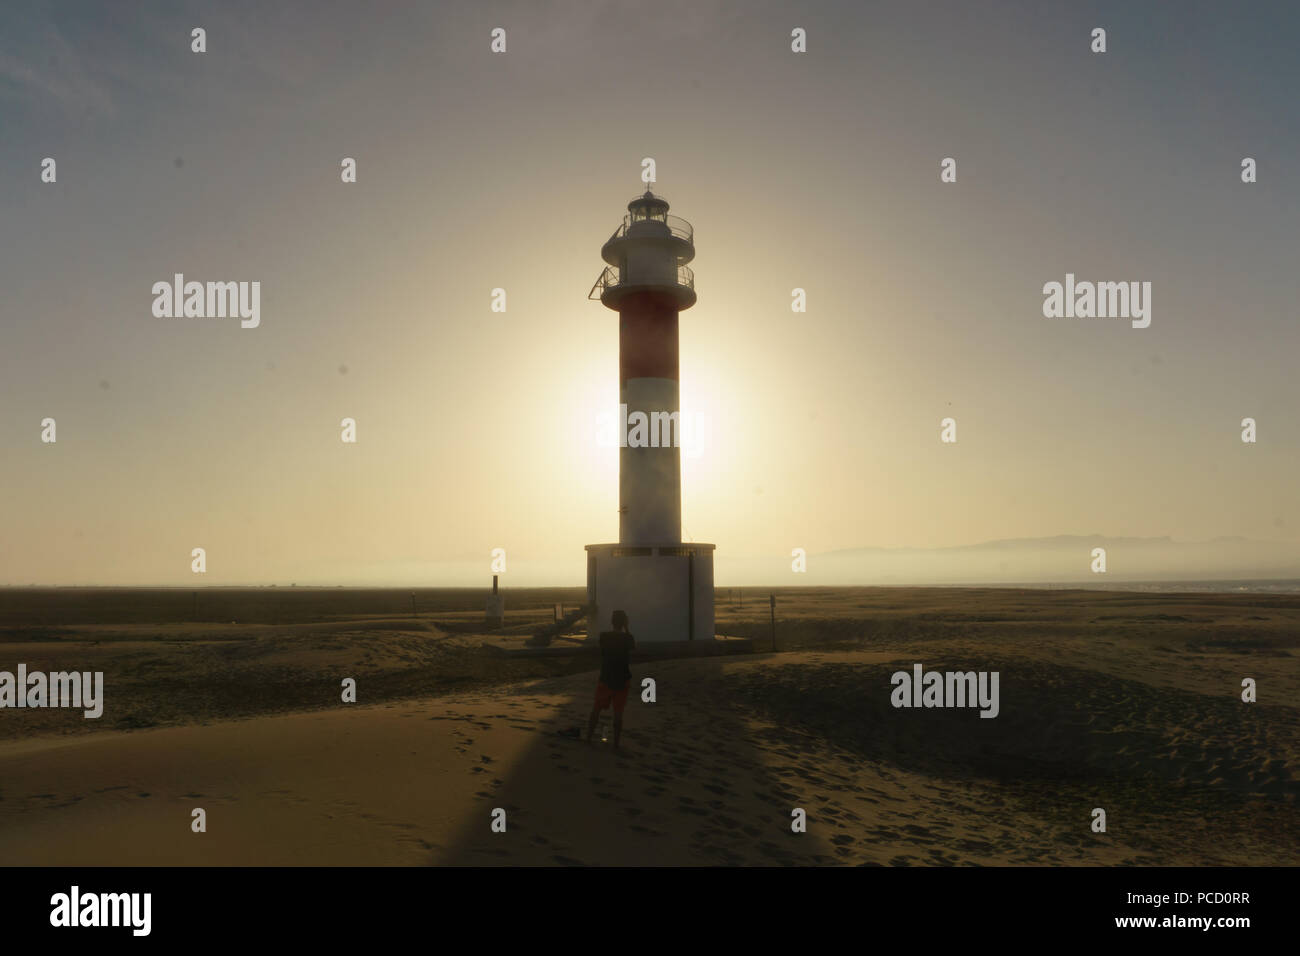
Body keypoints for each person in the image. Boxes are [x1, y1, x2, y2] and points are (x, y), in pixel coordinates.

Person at [587, 609, 635, 749]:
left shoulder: (604, 636)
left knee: (596, 710)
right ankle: (616, 744)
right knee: (618, 713)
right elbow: (632, 647)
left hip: (606, 677)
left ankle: (589, 738)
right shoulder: (628, 638)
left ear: (612, 621)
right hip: (622, 678)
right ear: (624, 622)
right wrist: (627, 628)